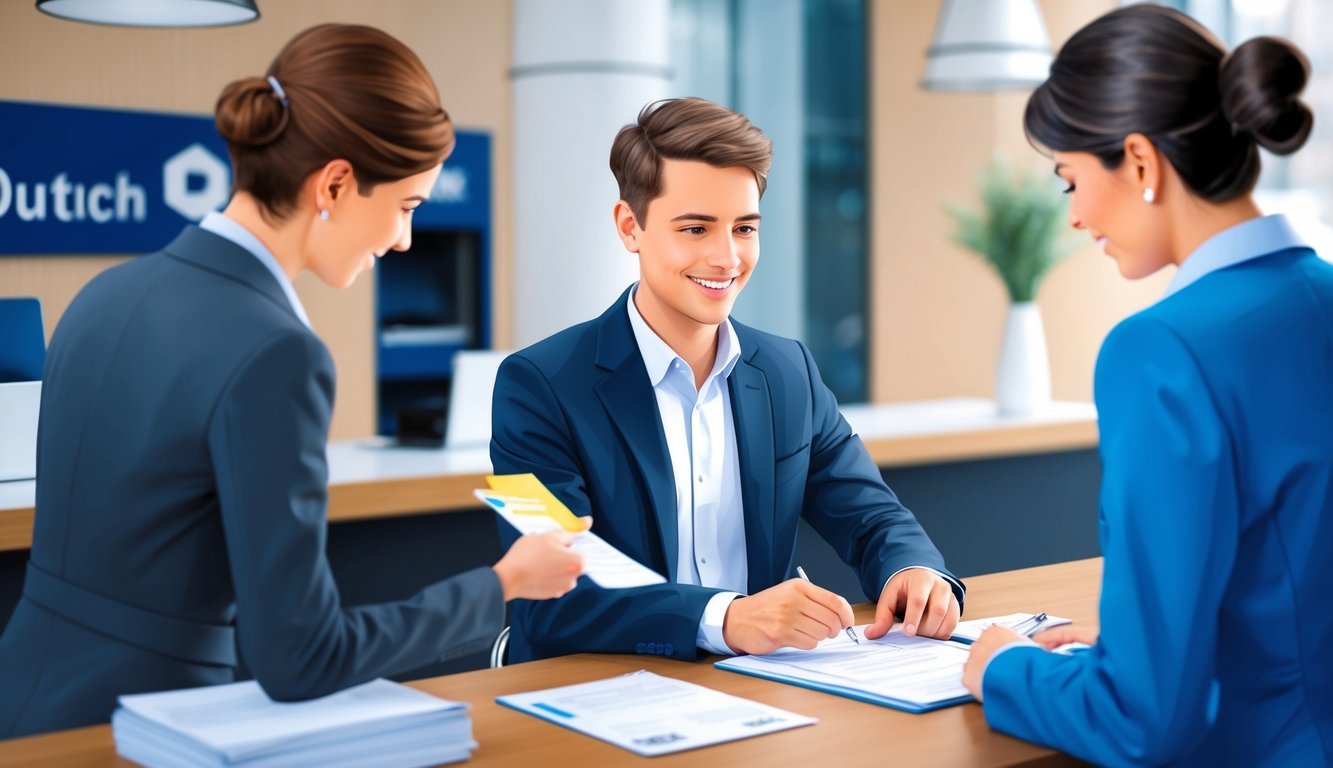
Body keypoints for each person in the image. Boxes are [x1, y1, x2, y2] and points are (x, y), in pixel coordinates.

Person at [0, 24, 583, 739]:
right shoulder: (279, 351)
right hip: (147, 731)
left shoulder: (106, 291)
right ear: (334, 183)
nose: (403, 240)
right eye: (406, 206)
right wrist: (503, 584)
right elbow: (301, 657)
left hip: (26, 703)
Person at [960, 6, 1332, 765]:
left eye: (1068, 181)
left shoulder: (1161, 350)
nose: (1074, 218)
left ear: (1137, 161)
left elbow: (1140, 720)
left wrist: (1000, 667)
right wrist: (1148, 644)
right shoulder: (1318, 299)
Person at [491, 97, 963, 664]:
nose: (726, 257)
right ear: (630, 227)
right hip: (603, 689)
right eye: (695, 228)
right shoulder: (537, 385)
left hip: (755, 686)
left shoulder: (788, 371)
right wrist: (728, 618)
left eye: (744, 228)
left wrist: (913, 570)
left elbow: (870, 512)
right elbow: (547, 595)